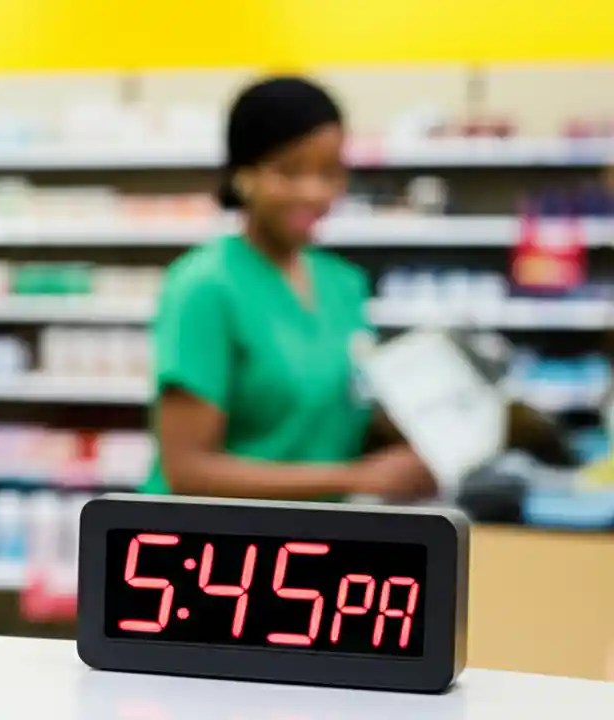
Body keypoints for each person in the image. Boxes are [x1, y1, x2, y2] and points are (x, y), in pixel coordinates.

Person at [143, 77, 436, 501]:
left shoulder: (342, 283)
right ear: (243, 173)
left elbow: (341, 406)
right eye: (289, 171)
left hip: (314, 539)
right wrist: (355, 479)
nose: (314, 192)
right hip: (218, 546)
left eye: (330, 173)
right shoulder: (204, 286)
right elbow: (187, 470)